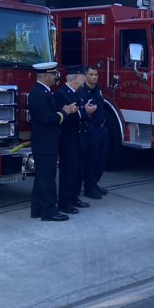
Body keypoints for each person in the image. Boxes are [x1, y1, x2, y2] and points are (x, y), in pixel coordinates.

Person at [28, 62, 77, 222]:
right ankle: (49, 211)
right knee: (47, 178)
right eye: (53, 74)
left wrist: (65, 111)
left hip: (47, 142)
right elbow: (47, 118)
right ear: (45, 76)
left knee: (42, 177)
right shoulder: (38, 93)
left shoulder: (44, 92)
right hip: (44, 143)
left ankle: (37, 209)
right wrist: (64, 112)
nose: (56, 76)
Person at [54, 66, 96, 214]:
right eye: (82, 76)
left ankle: (74, 196)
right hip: (69, 140)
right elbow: (65, 116)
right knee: (69, 171)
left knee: (79, 170)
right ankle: (64, 201)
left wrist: (86, 110)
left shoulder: (78, 93)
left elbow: (78, 113)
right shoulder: (60, 94)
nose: (85, 80)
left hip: (80, 139)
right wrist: (84, 112)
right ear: (74, 77)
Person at [80, 65, 109, 200]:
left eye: (96, 74)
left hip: (102, 127)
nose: (94, 77)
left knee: (101, 158)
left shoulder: (98, 89)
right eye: (91, 74)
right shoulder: (82, 92)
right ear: (85, 76)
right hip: (91, 128)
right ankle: (89, 187)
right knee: (91, 159)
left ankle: (95, 182)